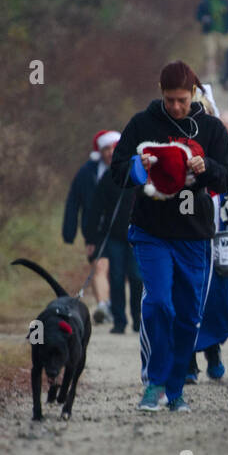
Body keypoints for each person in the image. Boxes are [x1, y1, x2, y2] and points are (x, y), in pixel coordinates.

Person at [111, 60, 228, 413]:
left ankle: (176, 387)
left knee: (187, 316)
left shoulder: (211, 129)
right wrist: (142, 166)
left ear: (194, 94)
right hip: (151, 231)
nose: (176, 107)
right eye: (170, 100)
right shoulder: (142, 124)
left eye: (182, 100)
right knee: (158, 303)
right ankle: (154, 383)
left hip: (194, 236)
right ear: (160, 92)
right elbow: (118, 171)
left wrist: (207, 167)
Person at [190, 102, 228, 383]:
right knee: (187, 290)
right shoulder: (178, 141)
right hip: (186, 221)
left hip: (219, 219)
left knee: (217, 292)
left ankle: (213, 349)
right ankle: (187, 357)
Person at [84, 131, 144, 335]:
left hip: (137, 235)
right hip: (114, 237)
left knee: (137, 278)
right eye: (107, 150)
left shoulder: (140, 174)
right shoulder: (108, 177)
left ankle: (138, 319)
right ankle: (120, 321)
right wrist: (91, 239)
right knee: (117, 277)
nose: (112, 153)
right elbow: (94, 210)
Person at [63, 130, 119, 325]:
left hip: (123, 230)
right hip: (95, 230)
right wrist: (69, 231)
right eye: (106, 149)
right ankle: (103, 306)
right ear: (100, 151)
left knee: (117, 271)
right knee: (100, 266)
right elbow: (73, 202)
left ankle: (113, 304)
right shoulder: (87, 173)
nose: (111, 152)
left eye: (114, 148)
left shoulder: (132, 169)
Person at [195, 0, 228, 82]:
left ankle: (223, 75)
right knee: (210, 54)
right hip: (209, 32)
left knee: (224, 53)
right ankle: (211, 77)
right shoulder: (205, 1)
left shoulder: (226, 1)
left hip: (223, 32)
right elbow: (198, 15)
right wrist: (204, 19)